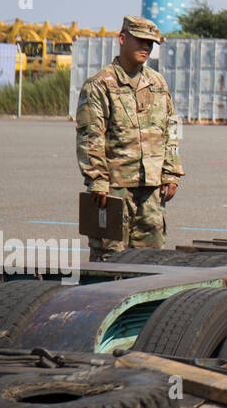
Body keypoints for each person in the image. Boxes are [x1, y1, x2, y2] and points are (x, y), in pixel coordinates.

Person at [75, 15, 183, 261]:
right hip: (114, 190)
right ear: (122, 39)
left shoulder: (157, 83)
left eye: (151, 43)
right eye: (141, 41)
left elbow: (171, 130)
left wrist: (171, 173)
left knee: (151, 260)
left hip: (152, 190)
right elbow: (90, 137)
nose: (146, 47)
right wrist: (97, 181)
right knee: (108, 257)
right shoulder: (100, 85)